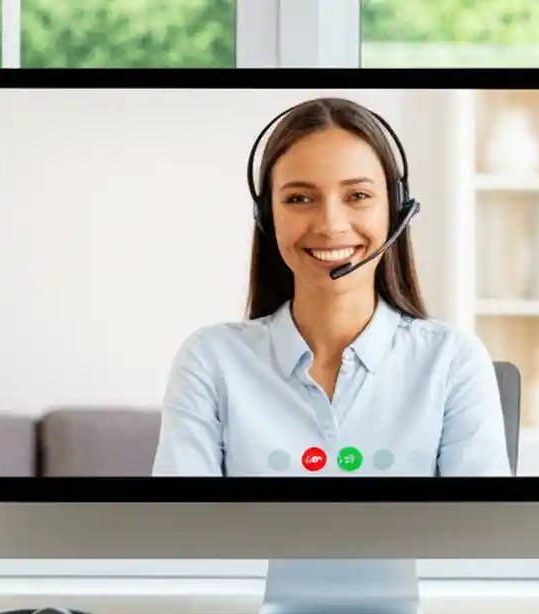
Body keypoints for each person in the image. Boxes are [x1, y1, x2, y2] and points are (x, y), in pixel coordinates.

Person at [151, 97, 511, 476]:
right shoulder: (210, 361)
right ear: (267, 216)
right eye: (300, 198)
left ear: (396, 211)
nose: (330, 224)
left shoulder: (451, 361)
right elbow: (181, 515)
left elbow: (482, 516)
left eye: (358, 196)